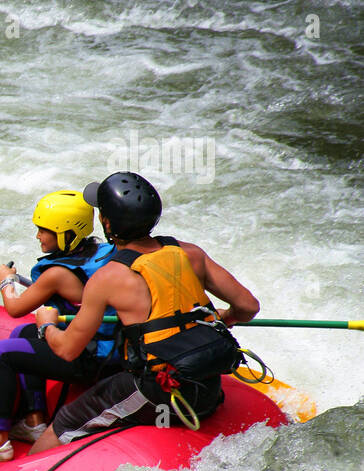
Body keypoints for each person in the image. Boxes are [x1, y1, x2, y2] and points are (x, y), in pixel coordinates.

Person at [28, 171, 258, 455]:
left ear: (107, 223)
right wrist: (225, 318)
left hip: (159, 390)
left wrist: (46, 326)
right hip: (208, 384)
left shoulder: (108, 277)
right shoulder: (190, 253)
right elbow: (248, 307)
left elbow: (67, 350)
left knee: (63, 424)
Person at [0, 190, 121, 461]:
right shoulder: (102, 253)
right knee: (22, 334)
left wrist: (5, 280)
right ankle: (35, 421)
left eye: (43, 230)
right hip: (108, 349)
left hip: (91, 359)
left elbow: (14, 308)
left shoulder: (56, 274)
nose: (38, 236)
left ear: (67, 234)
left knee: (3, 352)